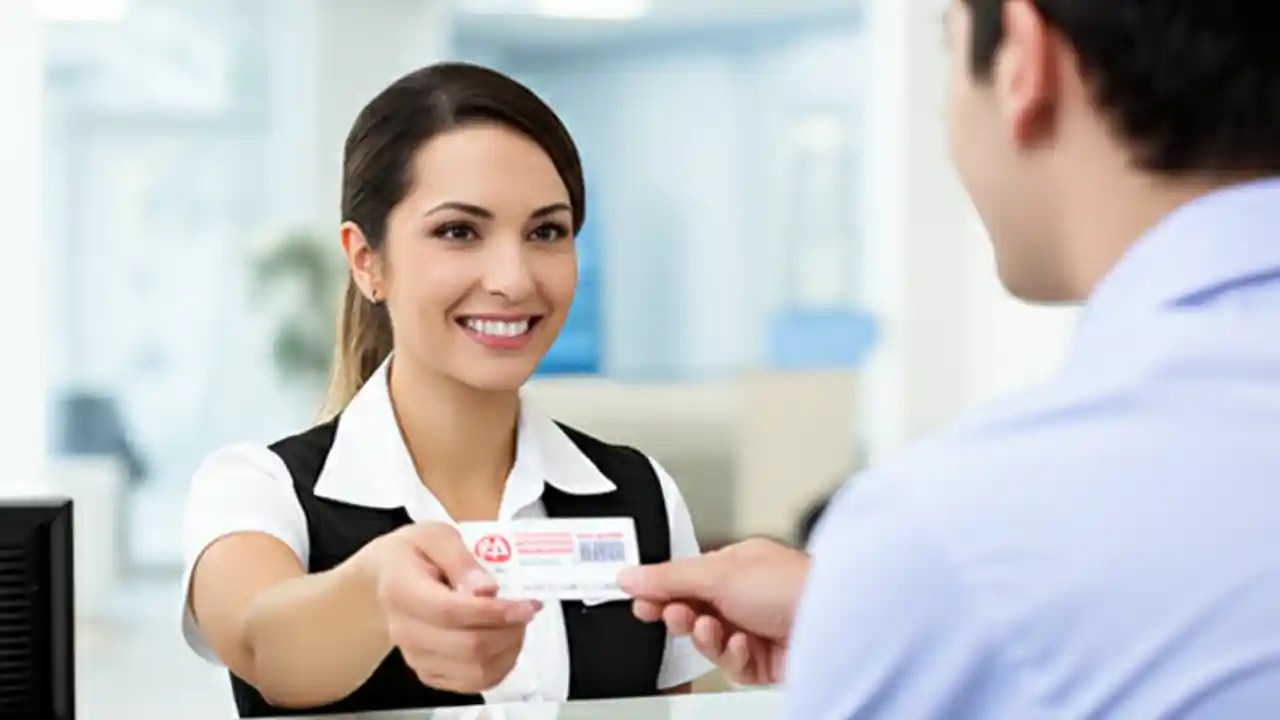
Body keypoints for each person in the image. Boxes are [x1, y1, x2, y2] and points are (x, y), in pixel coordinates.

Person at [621, 1, 1280, 717]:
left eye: (949, 56)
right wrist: (884, 608)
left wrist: (911, 597)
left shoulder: (952, 528)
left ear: (1024, 63)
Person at [181, 62, 712, 717]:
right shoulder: (257, 489)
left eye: (546, 231)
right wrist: (377, 592)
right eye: (458, 231)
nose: (514, 279)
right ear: (366, 260)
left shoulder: (642, 494)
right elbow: (267, 648)